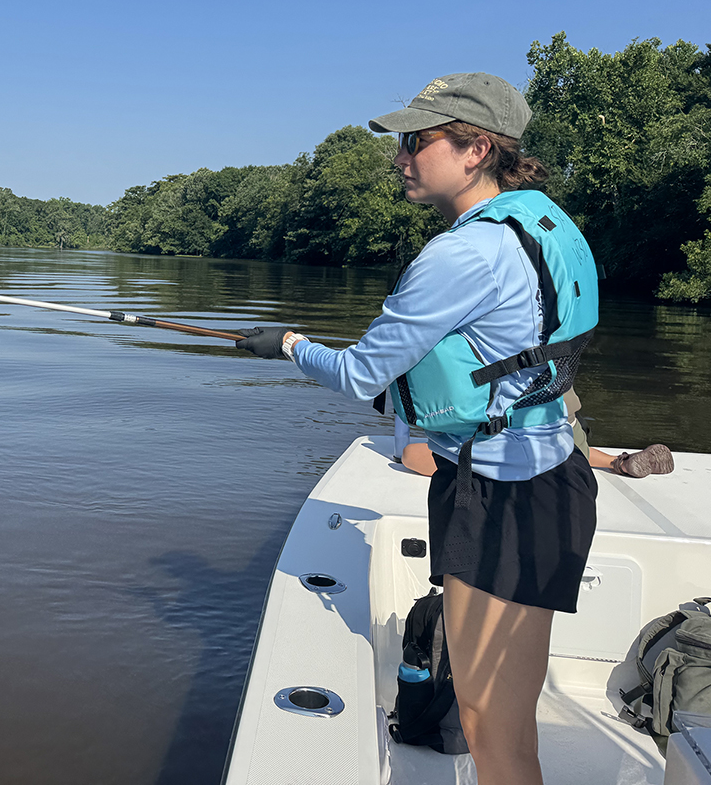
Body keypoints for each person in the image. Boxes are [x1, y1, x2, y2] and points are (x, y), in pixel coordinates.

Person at [236, 73, 602, 785]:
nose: (400, 156)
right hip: (558, 476)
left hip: (498, 498)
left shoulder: (460, 255)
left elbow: (357, 375)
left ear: (476, 149)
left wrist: (285, 344)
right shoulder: (543, 222)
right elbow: (497, 364)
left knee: (488, 726)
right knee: (509, 725)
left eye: (416, 140)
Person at [399, 389, 675, 478]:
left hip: (515, 445)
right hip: (567, 430)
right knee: (569, 445)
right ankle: (618, 461)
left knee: (410, 454)